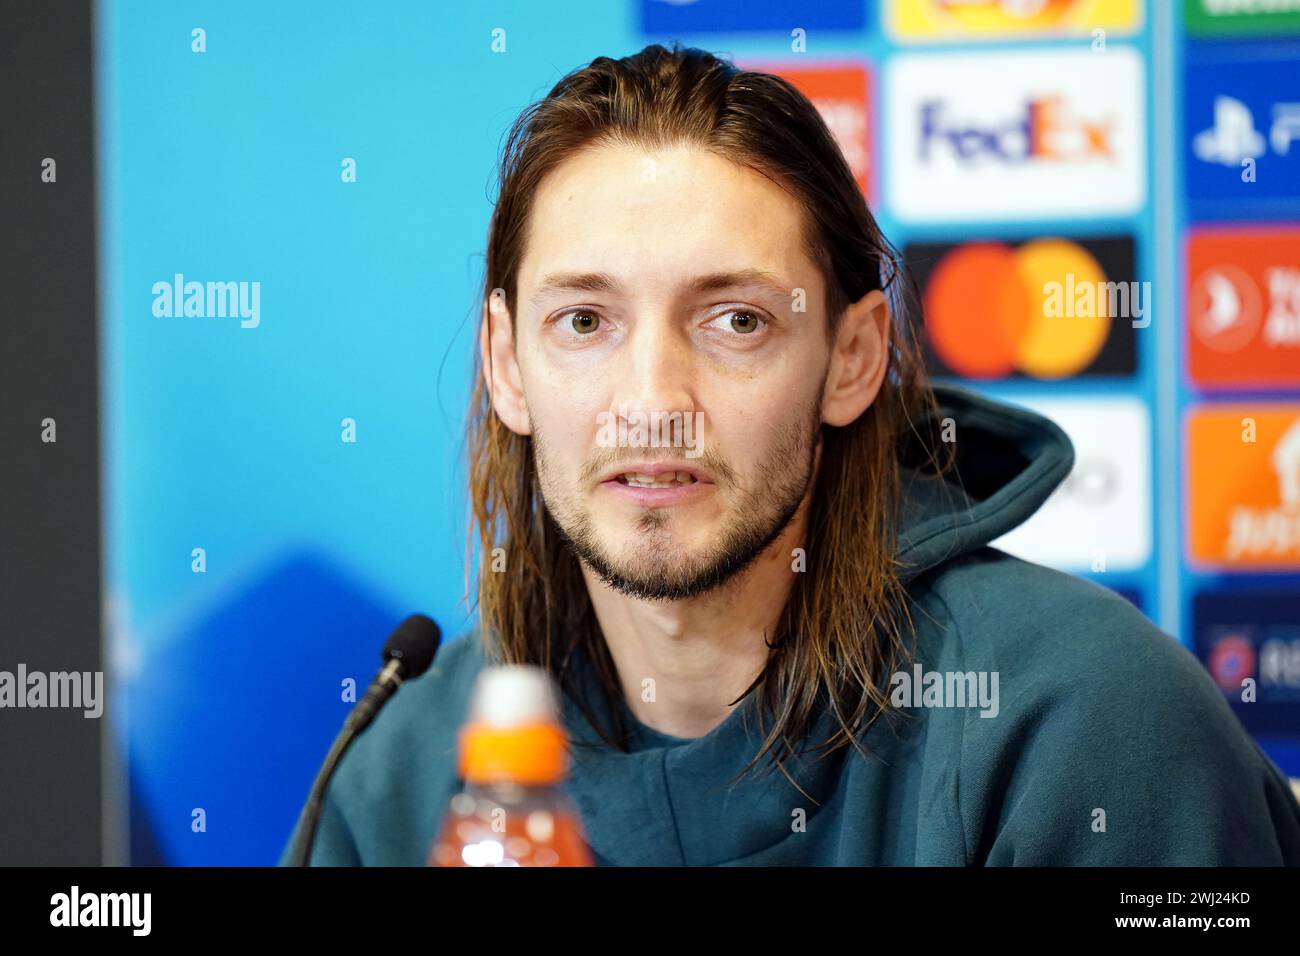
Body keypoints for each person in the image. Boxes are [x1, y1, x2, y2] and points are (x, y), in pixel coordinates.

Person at [282, 43, 1300, 866]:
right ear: (507, 364)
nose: (652, 402)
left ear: (852, 357)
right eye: (584, 320)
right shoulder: (404, 774)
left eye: (733, 319)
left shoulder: (1084, 721)